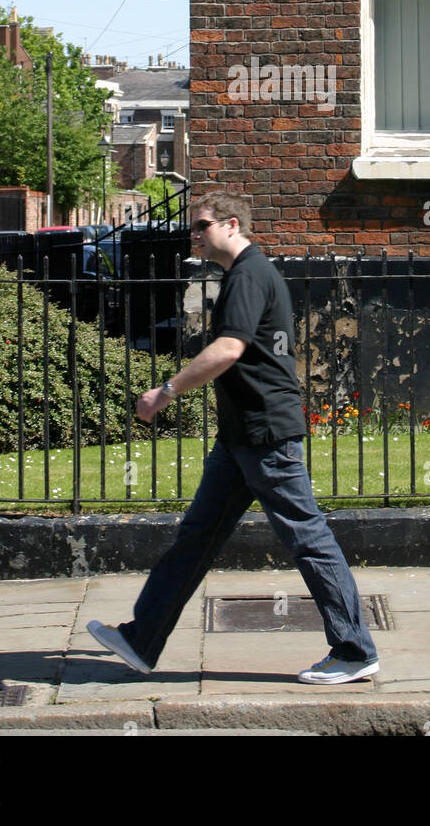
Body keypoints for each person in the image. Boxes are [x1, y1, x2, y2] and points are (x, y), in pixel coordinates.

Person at [88, 190, 379, 684]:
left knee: (307, 538)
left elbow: (228, 348)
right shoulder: (244, 273)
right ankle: (142, 639)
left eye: (201, 225)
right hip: (240, 436)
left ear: (231, 225)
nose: (194, 234)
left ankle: (354, 649)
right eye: (193, 227)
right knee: (196, 537)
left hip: (266, 433)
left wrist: (165, 391)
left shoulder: (247, 275)